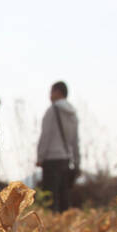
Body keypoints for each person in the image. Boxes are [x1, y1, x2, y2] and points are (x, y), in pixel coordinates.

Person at [36, 81, 81, 212]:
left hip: (51, 158)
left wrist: (40, 156)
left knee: (49, 198)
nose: (50, 95)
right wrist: (77, 162)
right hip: (66, 160)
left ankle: (50, 227)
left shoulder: (52, 110)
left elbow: (45, 135)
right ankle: (63, 227)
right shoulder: (73, 114)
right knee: (64, 197)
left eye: (51, 92)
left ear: (57, 92)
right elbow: (75, 141)